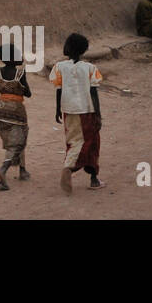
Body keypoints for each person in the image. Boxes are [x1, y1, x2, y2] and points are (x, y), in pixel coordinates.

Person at [51, 32, 103, 192]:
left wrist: (57, 110)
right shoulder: (90, 68)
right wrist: (98, 114)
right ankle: (89, 176)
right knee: (92, 142)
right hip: (86, 111)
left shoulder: (59, 67)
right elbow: (94, 93)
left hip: (68, 110)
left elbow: (58, 90)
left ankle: (70, 166)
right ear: (83, 50)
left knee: (74, 141)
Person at [0, 44, 30, 189]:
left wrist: (3, 86)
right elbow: (28, 93)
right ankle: (3, 170)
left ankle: (22, 171)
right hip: (16, 112)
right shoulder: (20, 74)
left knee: (11, 141)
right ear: (13, 58)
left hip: (0, 112)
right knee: (19, 141)